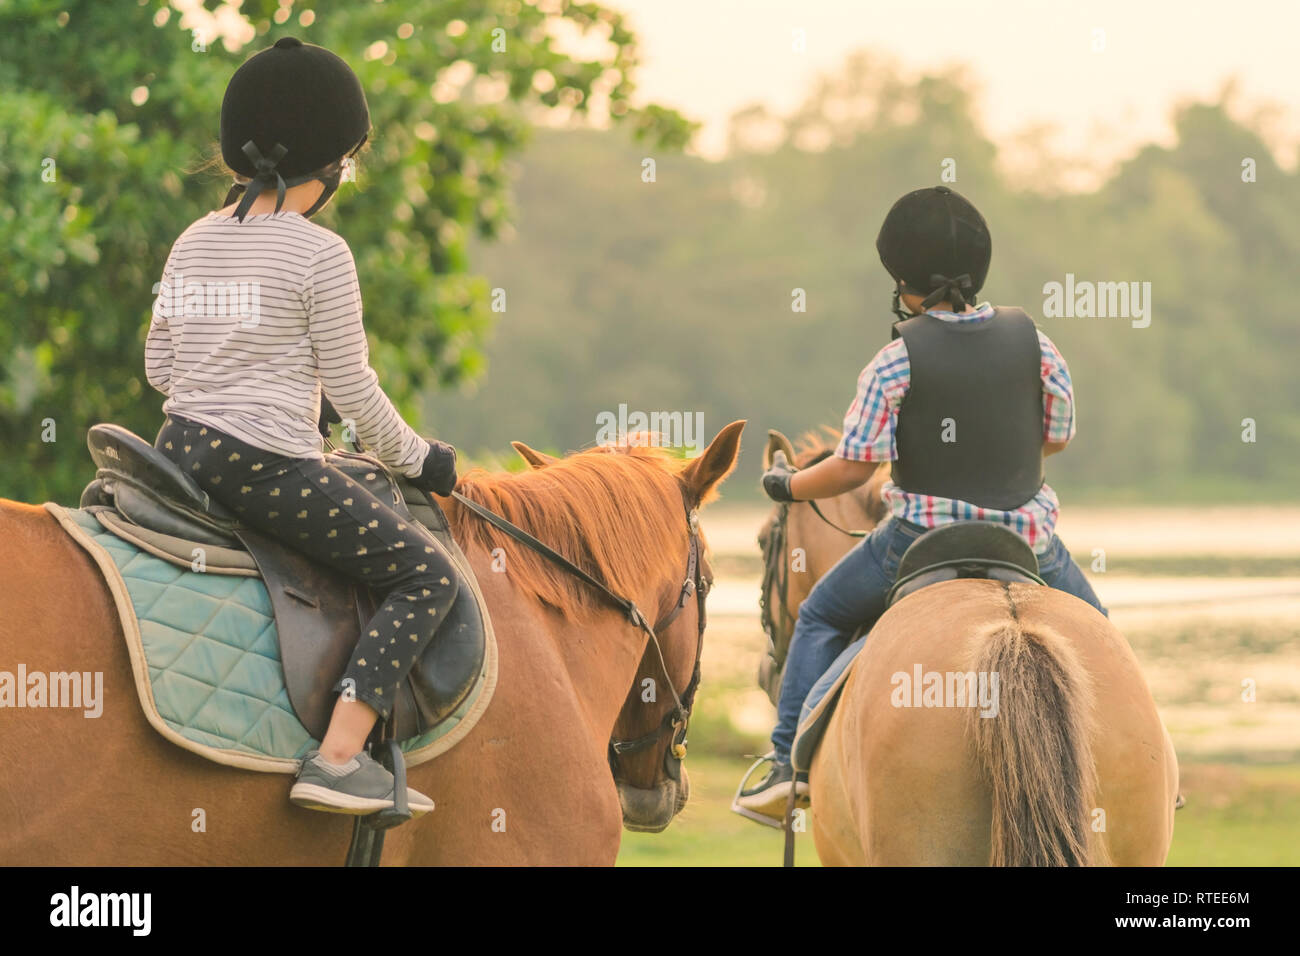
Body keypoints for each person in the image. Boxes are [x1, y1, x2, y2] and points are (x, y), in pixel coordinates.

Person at [145, 37, 459, 817]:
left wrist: (263, 384)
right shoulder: (321, 253)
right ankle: (340, 757)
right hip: (263, 464)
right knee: (428, 575)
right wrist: (422, 461)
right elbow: (355, 387)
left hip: (179, 449)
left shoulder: (194, 238)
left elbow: (160, 366)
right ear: (335, 164)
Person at [736, 185, 1108, 820]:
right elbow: (1059, 434)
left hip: (916, 541)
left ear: (904, 280)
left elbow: (856, 466)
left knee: (822, 615)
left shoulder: (894, 359)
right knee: (1102, 640)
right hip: (1031, 544)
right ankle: (1150, 763)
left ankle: (783, 769)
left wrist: (788, 484)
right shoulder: (1037, 343)